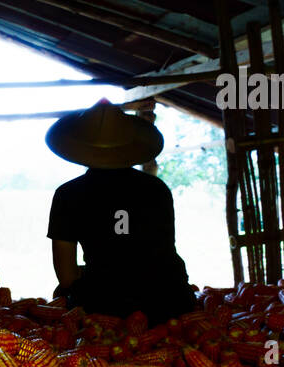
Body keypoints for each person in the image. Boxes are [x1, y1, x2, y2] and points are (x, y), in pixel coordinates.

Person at [45, 99, 196, 326]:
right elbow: (158, 253)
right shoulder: (157, 189)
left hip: (107, 305)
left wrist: (97, 269)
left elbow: (66, 277)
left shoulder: (68, 194)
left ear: (82, 147)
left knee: (63, 293)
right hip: (169, 300)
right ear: (131, 145)